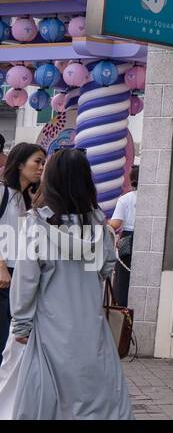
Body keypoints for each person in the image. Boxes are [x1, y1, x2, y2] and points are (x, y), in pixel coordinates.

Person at [0, 148, 132, 419]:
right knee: (92, 392)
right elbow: (106, 267)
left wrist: (22, 323)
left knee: (47, 396)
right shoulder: (99, 225)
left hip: (48, 326)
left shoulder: (37, 224)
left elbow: (26, 280)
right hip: (90, 323)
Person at [0, 144, 43, 363]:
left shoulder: (27, 199)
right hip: (4, 274)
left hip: (20, 274)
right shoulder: (3, 192)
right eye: (37, 161)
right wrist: (1, 268)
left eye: (43, 163)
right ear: (19, 164)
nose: (41, 168)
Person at [107, 184, 137, 307]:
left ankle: (123, 313)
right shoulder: (153, 197)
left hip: (128, 238)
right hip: (147, 236)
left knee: (123, 281)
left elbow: (116, 223)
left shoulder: (126, 198)